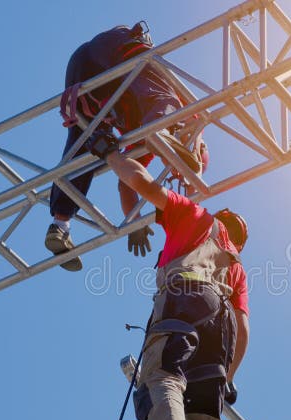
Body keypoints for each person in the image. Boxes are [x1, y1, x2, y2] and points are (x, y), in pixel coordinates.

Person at [89, 131, 249, 420]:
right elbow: (243, 328)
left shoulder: (196, 217)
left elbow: (141, 181)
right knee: (204, 419)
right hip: (220, 325)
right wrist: (228, 378)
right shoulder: (234, 265)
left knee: (160, 372)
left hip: (184, 294)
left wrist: (110, 153)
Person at [46, 22, 208, 271]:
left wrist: (135, 221)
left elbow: (127, 184)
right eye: (177, 173)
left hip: (88, 82)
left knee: (87, 148)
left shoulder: (143, 147)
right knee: (160, 93)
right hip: (115, 49)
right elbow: (196, 135)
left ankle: (60, 225)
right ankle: (160, 126)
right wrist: (193, 168)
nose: (174, 174)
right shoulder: (190, 121)